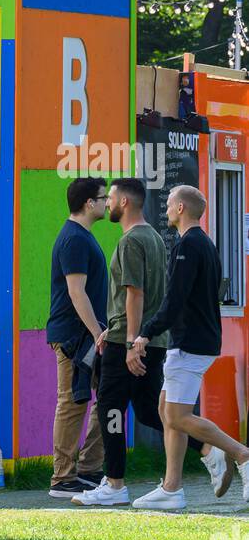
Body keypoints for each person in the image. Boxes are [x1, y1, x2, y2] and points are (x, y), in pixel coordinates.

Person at [71, 178, 218, 507]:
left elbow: (134, 294)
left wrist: (130, 342)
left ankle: (114, 483)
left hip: (133, 341)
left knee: (110, 407)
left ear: (124, 201)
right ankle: (206, 449)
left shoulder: (131, 241)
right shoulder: (155, 237)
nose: (106, 203)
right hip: (152, 340)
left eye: (109, 198)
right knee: (154, 413)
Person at [131, 184, 249, 510]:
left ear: (181, 208)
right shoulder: (204, 243)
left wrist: (144, 334)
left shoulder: (188, 246)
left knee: (177, 416)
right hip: (195, 341)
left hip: (190, 344)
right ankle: (172, 489)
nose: (166, 209)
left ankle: (240, 454)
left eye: (169, 204)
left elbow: (174, 301)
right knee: (165, 411)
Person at [45, 177, 108, 498]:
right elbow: (76, 292)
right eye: (103, 197)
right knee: (71, 403)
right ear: (88, 204)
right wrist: (99, 333)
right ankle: (62, 477)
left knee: (108, 396)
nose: (108, 202)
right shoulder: (75, 240)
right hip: (75, 336)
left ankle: (89, 469)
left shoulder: (81, 237)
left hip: (87, 335)